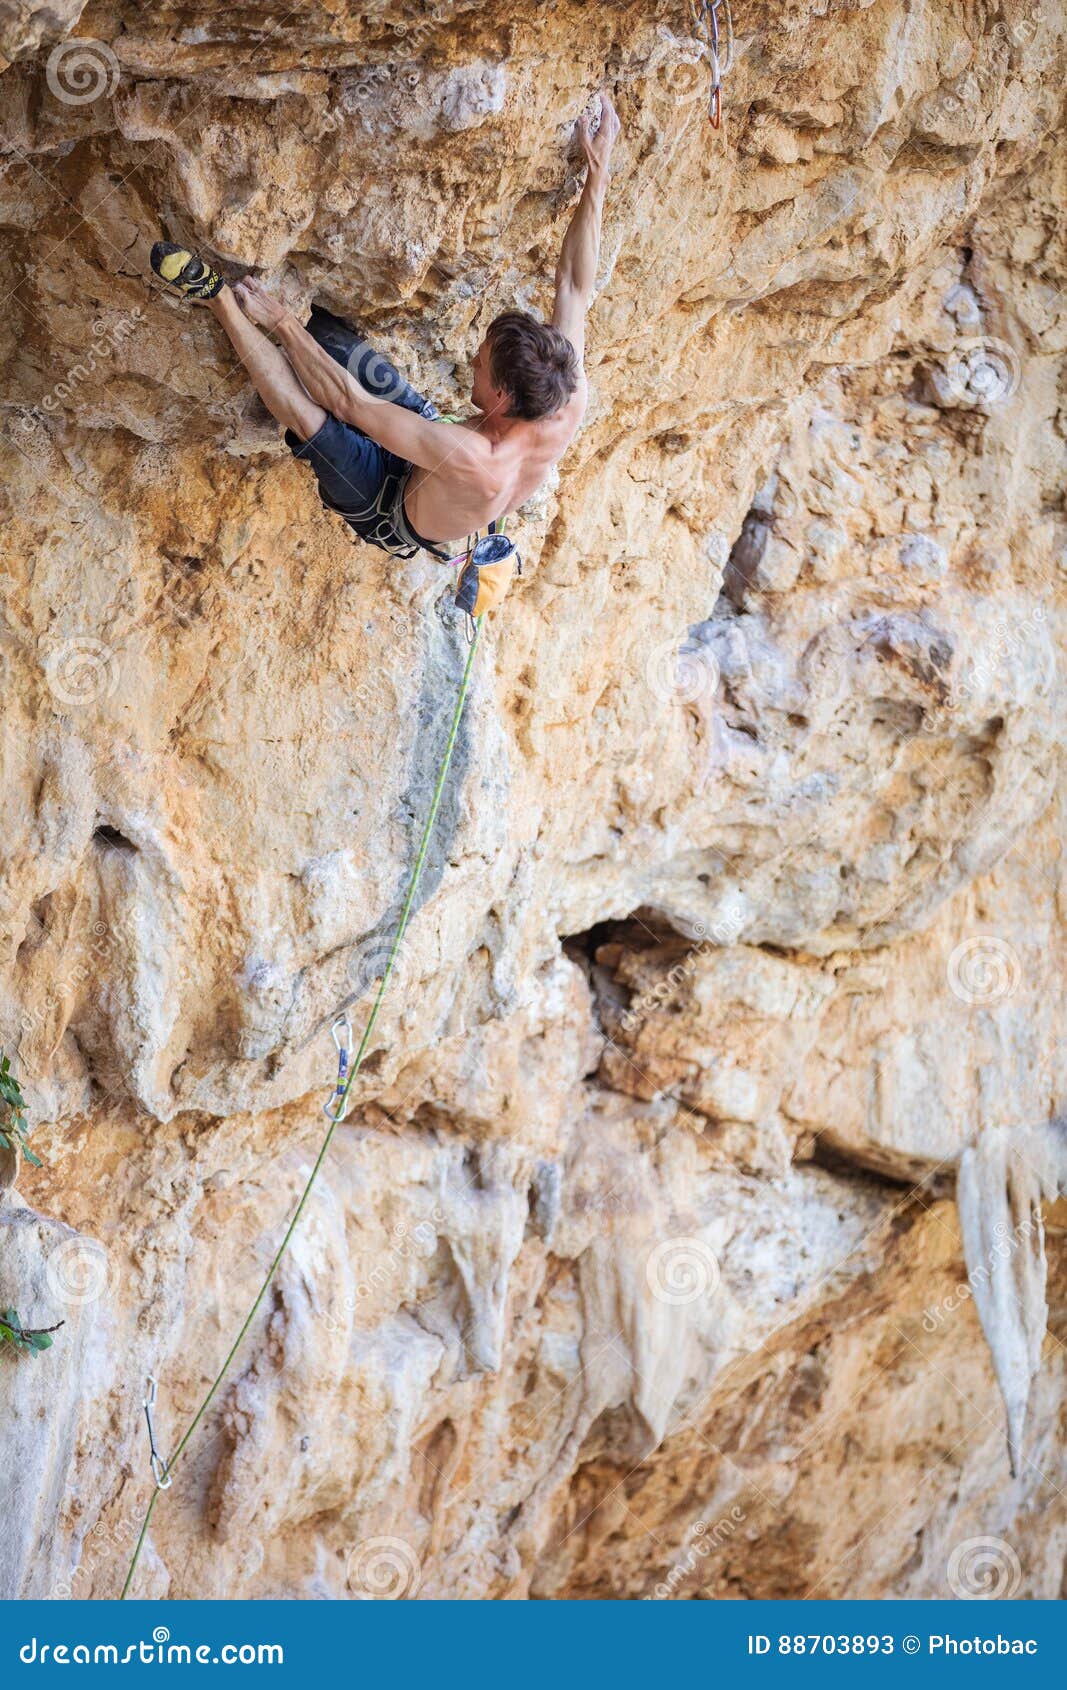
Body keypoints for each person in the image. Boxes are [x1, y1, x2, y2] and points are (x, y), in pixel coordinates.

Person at [150, 92, 621, 560]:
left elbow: (347, 402)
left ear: (501, 396)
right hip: (427, 452)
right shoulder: (565, 389)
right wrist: (597, 177)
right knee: (330, 336)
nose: (471, 360)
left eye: (481, 364)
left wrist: (281, 321)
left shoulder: (476, 458)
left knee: (314, 420)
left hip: (384, 503)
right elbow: (575, 286)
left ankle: (215, 299)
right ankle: (289, 328)